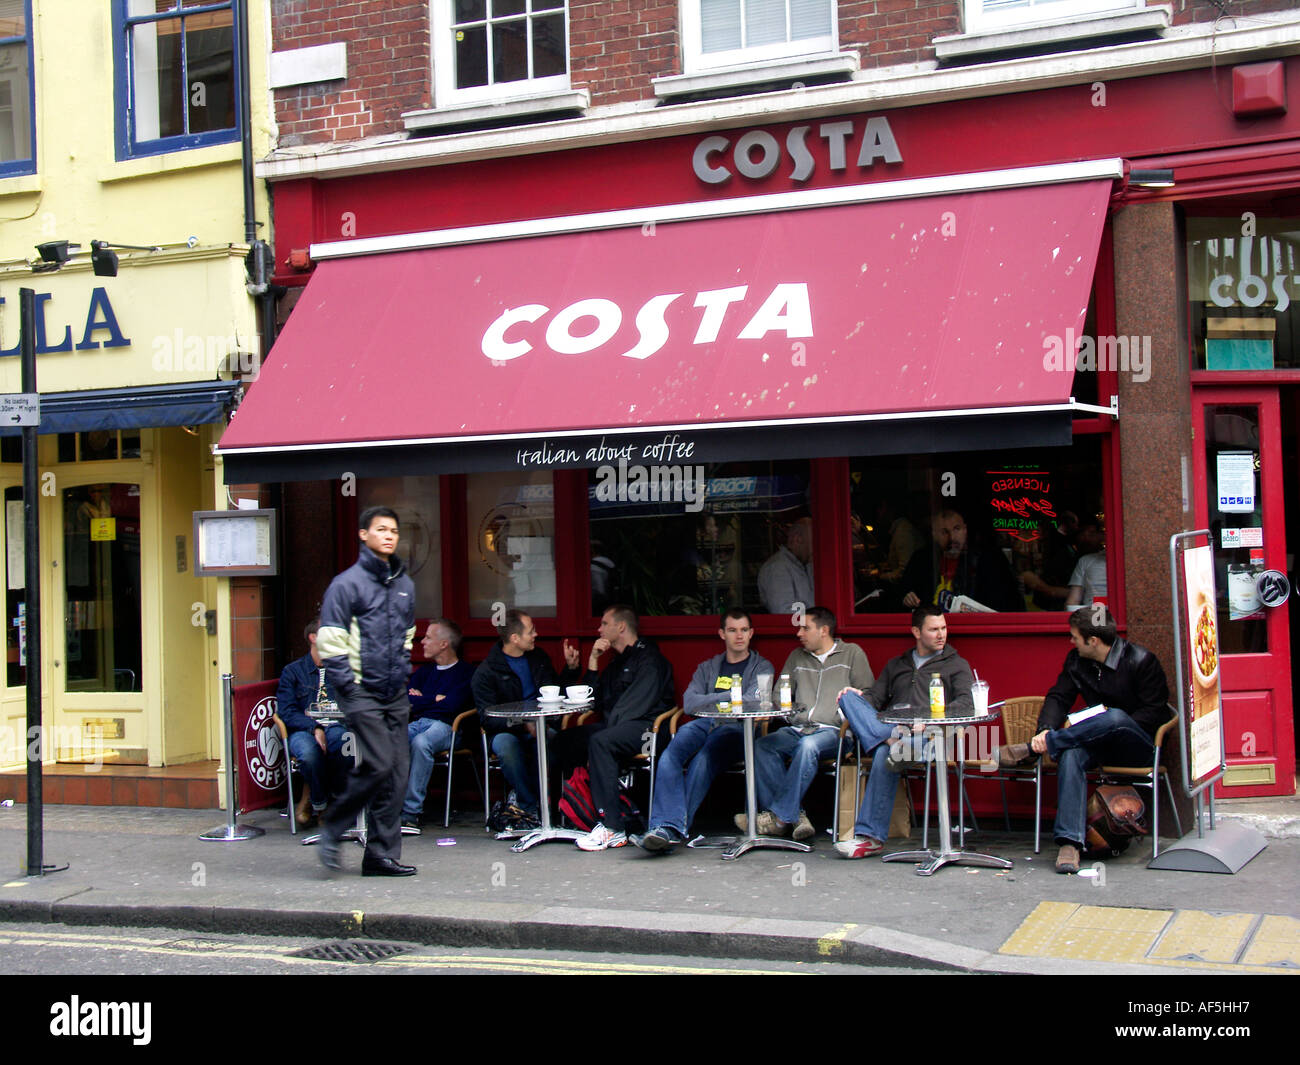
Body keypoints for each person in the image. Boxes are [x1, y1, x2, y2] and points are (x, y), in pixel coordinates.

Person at [998, 607, 1169, 874]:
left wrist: (1110, 723)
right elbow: (1059, 696)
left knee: (1114, 718)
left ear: (1093, 641)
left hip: (1138, 744)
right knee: (1071, 753)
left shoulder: (1141, 660)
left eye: (1075, 637)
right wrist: (1044, 729)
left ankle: (1033, 749)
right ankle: (1070, 843)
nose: (1071, 642)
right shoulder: (1077, 661)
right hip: (1096, 741)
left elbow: (1154, 713)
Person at [315, 506, 418, 877]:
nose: (389, 535)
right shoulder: (346, 584)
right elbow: (330, 640)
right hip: (359, 690)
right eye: (381, 529)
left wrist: (403, 673)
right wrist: (347, 684)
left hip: (394, 691)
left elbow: (408, 636)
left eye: (393, 530)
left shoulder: (405, 585)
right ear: (364, 535)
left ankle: (380, 856)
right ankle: (333, 825)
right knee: (378, 762)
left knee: (397, 773)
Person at [832, 605, 974, 858]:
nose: (941, 634)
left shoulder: (957, 664)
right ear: (916, 632)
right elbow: (875, 699)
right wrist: (859, 698)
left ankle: (870, 838)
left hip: (930, 735)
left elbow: (965, 704)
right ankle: (888, 739)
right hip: (893, 729)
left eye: (943, 628)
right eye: (934, 629)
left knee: (885, 752)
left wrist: (931, 721)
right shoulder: (897, 664)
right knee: (848, 699)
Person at [630, 609, 773, 854]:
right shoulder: (708, 667)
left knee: (705, 756)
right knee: (671, 753)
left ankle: (669, 829)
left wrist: (710, 699)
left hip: (737, 730)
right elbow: (690, 702)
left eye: (743, 630)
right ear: (722, 634)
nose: (739, 636)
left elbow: (751, 703)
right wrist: (730, 697)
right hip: (703, 723)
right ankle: (665, 827)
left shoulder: (762, 667)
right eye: (732, 630)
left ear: (751, 634)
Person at [555, 605, 675, 851]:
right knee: (563, 740)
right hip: (617, 728)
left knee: (601, 741)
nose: (599, 629)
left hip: (648, 733)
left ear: (621, 627)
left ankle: (613, 826)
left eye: (604, 624)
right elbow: (593, 701)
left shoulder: (649, 658)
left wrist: (607, 731)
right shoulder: (616, 662)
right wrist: (592, 661)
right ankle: (560, 812)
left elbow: (638, 705)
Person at [749, 606, 873, 839]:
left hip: (835, 732)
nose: (799, 634)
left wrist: (845, 715)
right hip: (798, 727)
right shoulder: (797, 657)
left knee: (807, 747)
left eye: (806, 628)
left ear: (824, 630)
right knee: (762, 746)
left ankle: (778, 818)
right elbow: (779, 695)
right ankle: (794, 816)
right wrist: (786, 711)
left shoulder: (852, 653)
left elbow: (867, 694)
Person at [472, 609, 564, 832]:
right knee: (507, 746)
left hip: (541, 727)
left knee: (558, 743)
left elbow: (555, 692)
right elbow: (487, 718)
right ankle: (529, 806)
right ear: (515, 638)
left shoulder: (538, 658)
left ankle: (554, 808)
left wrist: (571, 669)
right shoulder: (487, 671)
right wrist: (523, 723)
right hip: (505, 731)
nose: (536, 635)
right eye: (531, 631)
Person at [399, 618, 475, 833]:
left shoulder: (466, 673)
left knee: (421, 743)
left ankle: (410, 814)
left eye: (428, 637)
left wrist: (422, 700)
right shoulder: (423, 672)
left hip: (449, 727)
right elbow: (405, 700)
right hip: (418, 723)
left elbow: (453, 705)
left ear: (444, 644)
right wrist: (434, 699)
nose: (422, 641)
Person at [276, 617, 349, 828]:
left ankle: (326, 799)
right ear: (313, 638)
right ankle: (321, 804)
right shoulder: (293, 671)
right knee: (308, 754)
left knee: (347, 748)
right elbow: (287, 711)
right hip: (304, 728)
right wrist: (314, 727)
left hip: (337, 725)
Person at [900, 507, 1023, 613]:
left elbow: (1009, 602)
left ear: (965, 530)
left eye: (957, 529)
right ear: (934, 534)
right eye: (944, 532)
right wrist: (907, 597)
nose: (952, 537)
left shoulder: (987, 560)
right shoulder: (921, 560)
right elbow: (903, 593)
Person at [757, 516, 814, 615]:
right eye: (813, 541)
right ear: (798, 539)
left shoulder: (806, 565)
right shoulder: (777, 568)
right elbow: (783, 612)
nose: (815, 547)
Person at [1064, 519, 1107, 607]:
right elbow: (1073, 601)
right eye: (1082, 533)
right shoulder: (1086, 561)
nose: (1086, 537)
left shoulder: (1128, 562)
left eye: (1091, 533)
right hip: (1093, 617)